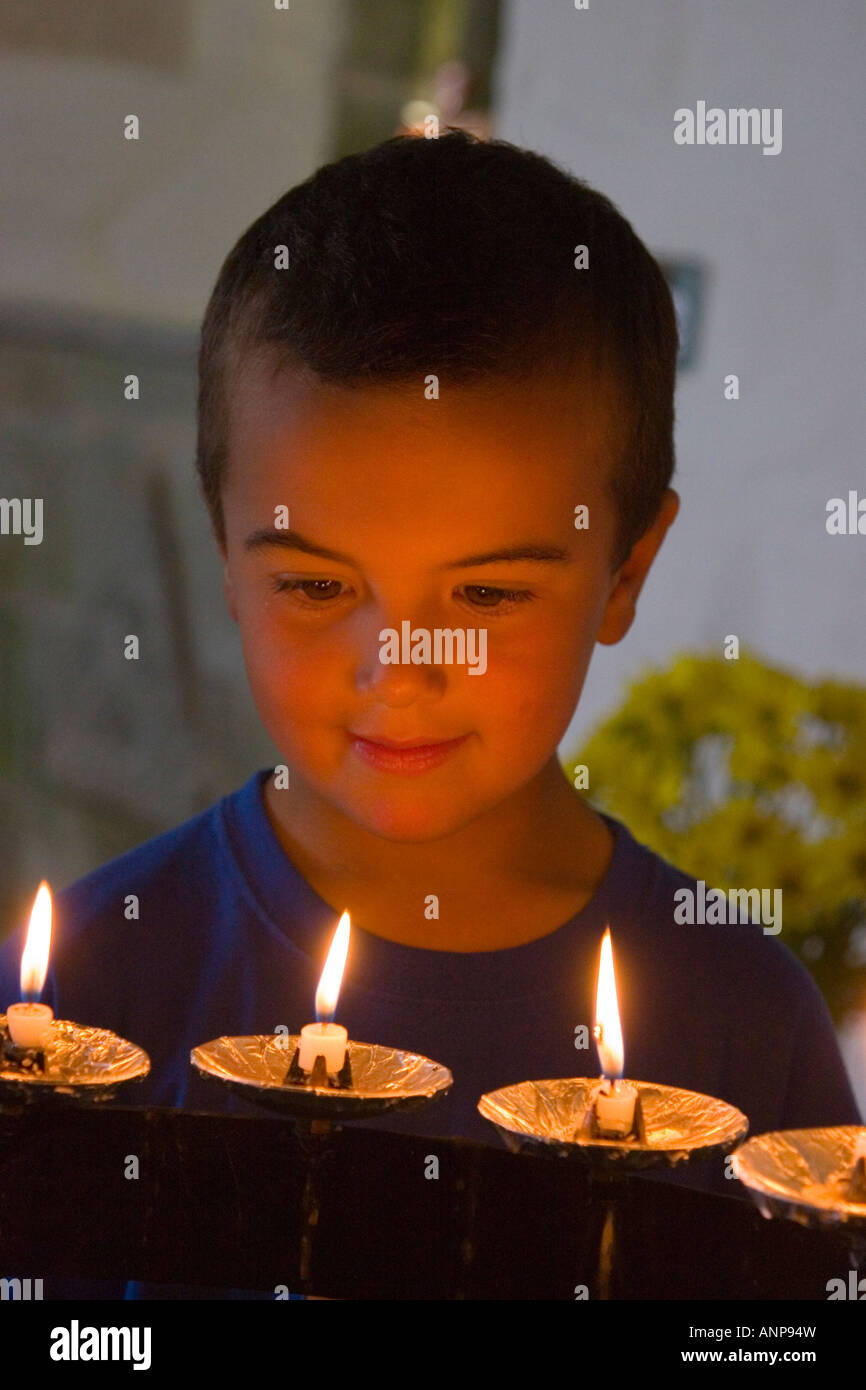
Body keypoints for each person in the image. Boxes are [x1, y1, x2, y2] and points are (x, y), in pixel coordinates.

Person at [1, 131, 859, 1297]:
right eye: (312, 584)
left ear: (623, 572)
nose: (398, 669)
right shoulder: (80, 1004)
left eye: (488, 594)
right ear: (222, 555)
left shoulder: (740, 1021)